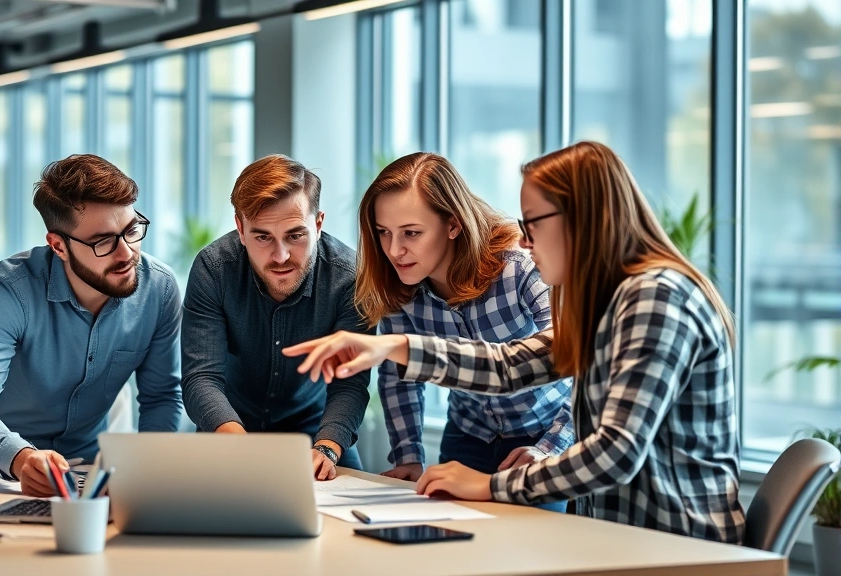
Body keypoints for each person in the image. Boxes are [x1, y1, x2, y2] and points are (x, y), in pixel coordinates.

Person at [285, 141, 745, 543]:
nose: (524, 241)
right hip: (621, 534)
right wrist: (392, 348)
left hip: (675, 545)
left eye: (534, 224)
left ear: (580, 220)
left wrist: (489, 485)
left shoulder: (654, 298)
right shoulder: (614, 301)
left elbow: (615, 453)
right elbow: (509, 366)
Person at [355, 152, 572, 513]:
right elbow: (399, 377)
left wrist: (551, 448)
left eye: (411, 233)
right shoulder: (398, 286)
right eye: (383, 233)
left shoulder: (520, 266)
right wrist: (408, 454)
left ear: (453, 224)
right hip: (468, 436)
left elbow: (577, 358)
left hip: (543, 435)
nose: (394, 250)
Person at [0, 154, 183, 497]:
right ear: (59, 246)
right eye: (103, 242)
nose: (126, 253)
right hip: (2, 477)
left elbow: (161, 397)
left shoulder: (159, 289)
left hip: (91, 476)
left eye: (131, 230)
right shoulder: (8, 293)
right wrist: (21, 458)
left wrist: (144, 472)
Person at [181, 154, 372, 481]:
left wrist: (327, 446)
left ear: (318, 223)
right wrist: (243, 447)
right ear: (240, 228)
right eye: (263, 237)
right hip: (227, 429)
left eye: (295, 235)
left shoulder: (350, 278)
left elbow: (350, 383)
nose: (280, 256)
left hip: (316, 433)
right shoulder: (213, 270)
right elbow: (202, 377)